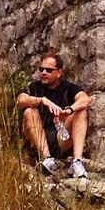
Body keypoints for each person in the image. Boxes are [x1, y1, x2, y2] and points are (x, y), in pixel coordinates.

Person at [17, 51, 91, 179]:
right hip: (40, 138)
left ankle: (77, 161)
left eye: (49, 70)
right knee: (29, 112)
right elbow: (20, 100)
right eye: (41, 69)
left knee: (81, 112)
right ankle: (46, 159)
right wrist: (42, 100)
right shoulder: (35, 87)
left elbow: (85, 99)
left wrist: (69, 110)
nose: (44, 73)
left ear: (59, 73)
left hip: (61, 136)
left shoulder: (68, 88)